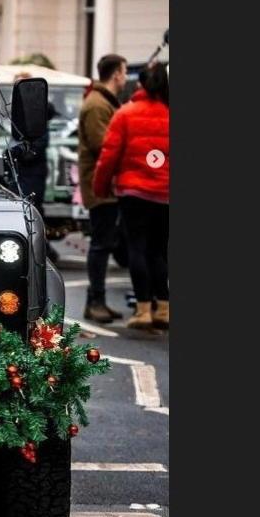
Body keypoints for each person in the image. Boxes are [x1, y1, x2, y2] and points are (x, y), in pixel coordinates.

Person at [93, 62, 169, 330]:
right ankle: (164, 309)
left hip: (133, 192)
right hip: (165, 193)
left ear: (141, 84)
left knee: (137, 248)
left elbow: (109, 156)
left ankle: (143, 310)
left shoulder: (125, 114)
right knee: (159, 250)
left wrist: (100, 187)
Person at [77, 54, 128, 323]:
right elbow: (103, 145)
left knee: (106, 243)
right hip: (101, 185)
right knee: (100, 245)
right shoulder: (98, 104)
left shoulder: (103, 102)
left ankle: (98, 300)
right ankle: (95, 301)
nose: (125, 77)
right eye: (124, 71)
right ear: (116, 74)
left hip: (106, 184)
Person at [9, 72, 59, 261]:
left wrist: (18, 152)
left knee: (30, 209)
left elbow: (35, 147)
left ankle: (43, 250)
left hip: (31, 172)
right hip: (23, 171)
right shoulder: (20, 112)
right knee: (28, 209)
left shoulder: (37, 114)